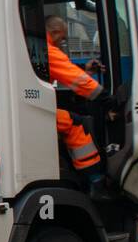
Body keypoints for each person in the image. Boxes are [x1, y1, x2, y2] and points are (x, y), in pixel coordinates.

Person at [45, 15, 107, 196]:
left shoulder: (32, 45)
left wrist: (86, 70)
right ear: (54, 32)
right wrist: (107, 99)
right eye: (62, 38)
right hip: (29, 112)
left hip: (24, 108)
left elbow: (67, 71)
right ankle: (95, 180)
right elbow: (77, 80)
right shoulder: (46, 49)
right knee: (76, 124)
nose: (62, 42)